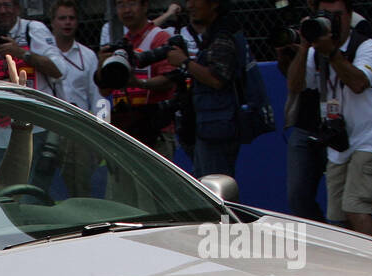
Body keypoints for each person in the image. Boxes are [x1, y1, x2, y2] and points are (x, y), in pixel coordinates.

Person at [287, 0, 372, 236]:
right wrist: (304, 47)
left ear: (350, 16)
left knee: (356, 209)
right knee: (337, 218)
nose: (332, 21)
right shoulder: (315, 51)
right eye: (325, 15)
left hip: (370, 138)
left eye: (337, 15)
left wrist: (331, 52)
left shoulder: (366, 46)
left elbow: (358, 83)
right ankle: (353, 269)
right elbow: (296, 86)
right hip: (338, 142)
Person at [0, 1, 63, 180]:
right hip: (2, 134)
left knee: (31, 197)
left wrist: (21, 53)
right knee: (2, 199)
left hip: (36, 129)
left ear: (17, 8)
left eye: (7, 5)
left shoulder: (33, 29)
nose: (2, 11)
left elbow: (58, 70)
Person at [165, 0, 242, 177]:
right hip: (207, 125)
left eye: (195, 0)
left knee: (214, 187)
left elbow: (217, 79)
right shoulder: (213, 33)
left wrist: (184, 61)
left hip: (218, 126)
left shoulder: (223, 35)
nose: (190, 6)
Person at [96, 0, 179, 160]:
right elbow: (104, 90)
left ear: (145, 6)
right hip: (126, 131)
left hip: (156, 132)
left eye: (132, 3)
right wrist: (102, 66)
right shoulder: (122, 43)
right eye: (121, 5)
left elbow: (169, 80)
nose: (126, 10)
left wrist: (138, 83)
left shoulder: (159, 38)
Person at [46, 0, 104, 196]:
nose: (67, 23)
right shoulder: (41, 54)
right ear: (52, 22)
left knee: (80, 187)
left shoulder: (88, 55)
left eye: (72, 18)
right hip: (46, 125)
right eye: (62, 18)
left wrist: (102, 134)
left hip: (77, 128)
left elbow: (97, 97)